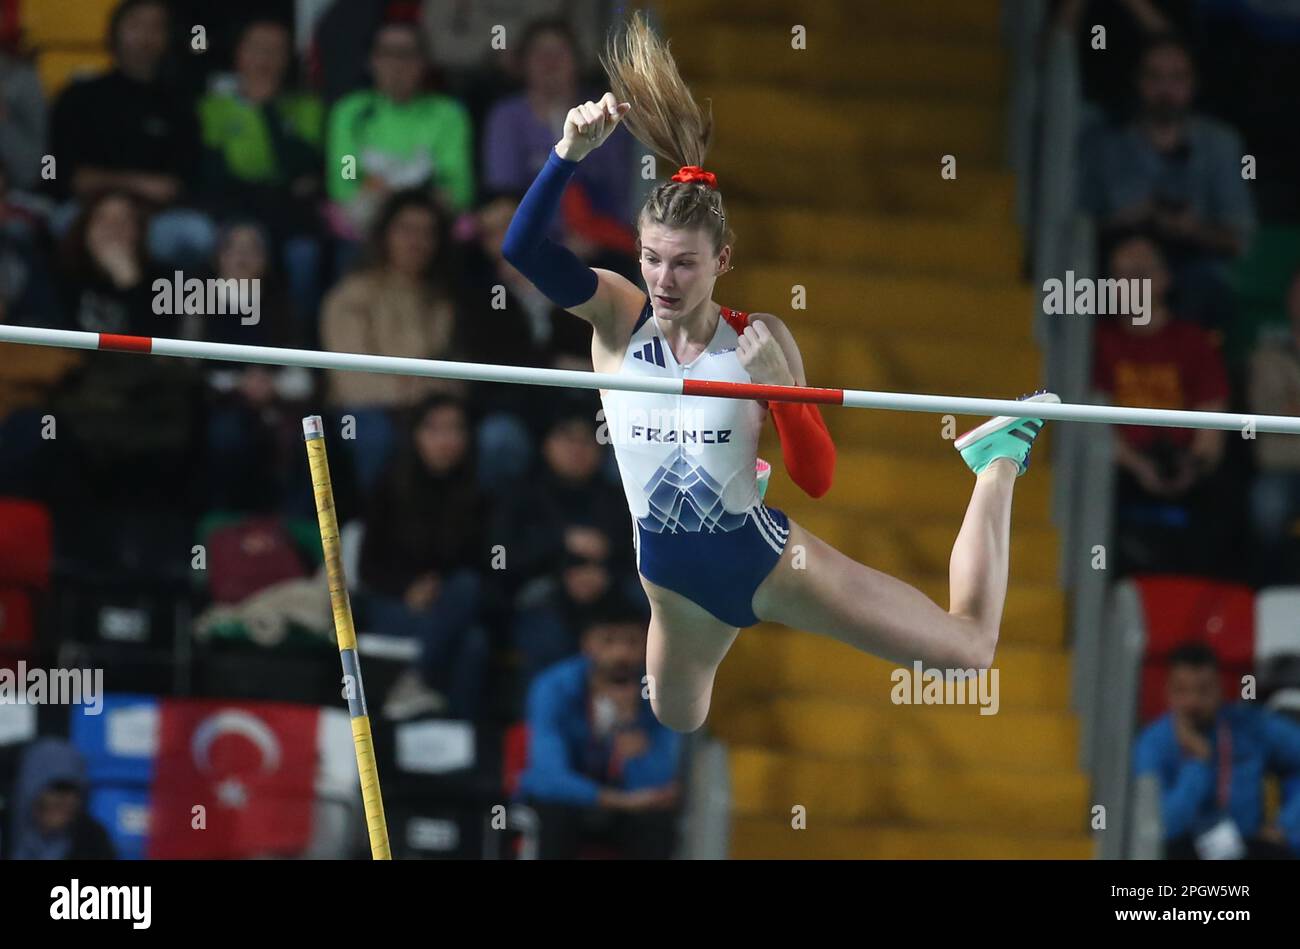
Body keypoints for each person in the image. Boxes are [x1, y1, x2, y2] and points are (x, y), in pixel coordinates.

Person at [500, 11, 1056, 733]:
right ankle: (738, 470)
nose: (664, 279)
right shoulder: (617, 314)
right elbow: (524, 249)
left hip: (765, 564)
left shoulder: (759, 340)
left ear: (721, 262)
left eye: (686, 262)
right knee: (677, 715)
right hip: (670, 587)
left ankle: (996, 459)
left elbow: (820, 475)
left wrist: (782, 396)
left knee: (969, 651)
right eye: (653, 257)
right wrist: (567, 153)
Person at [47, 0, 215, 268]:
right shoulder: (78, 97)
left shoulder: (180, 107)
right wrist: (138, 184)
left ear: (167, 37)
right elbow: (67, 177)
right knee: (60, 223)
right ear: (114, 32)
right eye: (136, 25)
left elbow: (177, 186)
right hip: (87, 211)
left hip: (155, 218)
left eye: (156, 27)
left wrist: (126, 196)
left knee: (197, 233)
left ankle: (178, 309)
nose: (145, 36)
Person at [516, 595, 682, 859]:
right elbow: (548, 776)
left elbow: (659, 787)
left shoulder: (660, 695)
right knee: (554, 813)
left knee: (656, 823)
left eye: (631, 642)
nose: (621, 654)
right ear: (587, 644)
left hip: (629, 810)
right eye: (608, 641)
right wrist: (617, 800)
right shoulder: (553, 687)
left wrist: (629, 722)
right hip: (573, 803)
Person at [357, 394, 490, 720]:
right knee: (469, 638)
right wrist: (408, 589)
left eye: (455, 429)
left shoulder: (482, 492)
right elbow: (367, 567)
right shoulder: (389, 486)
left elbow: (489, 566)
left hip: (452, 605)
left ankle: (432, 706)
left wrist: (439, 590)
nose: (445, 440)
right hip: (394, 604)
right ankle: (447, 728)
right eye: (434, 429)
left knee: (475, 636)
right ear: (415, 435)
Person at [1133, 642, 1300, 859]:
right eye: (1182, 691)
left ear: (1220, 688)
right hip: (1183, 849)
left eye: (1203, 690)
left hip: (1247, 844)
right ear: (1168, 693)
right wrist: (1198, 763)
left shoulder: (1249, 726)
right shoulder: (1152, 744)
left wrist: (1286, 825)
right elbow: (1161, 827)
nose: (1193, 701)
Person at [6, 739, 116, 860]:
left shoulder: (94, 842)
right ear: (30, 788)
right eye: (58, 788)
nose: (67, 801)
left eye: (75, 791)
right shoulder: (7, 836)